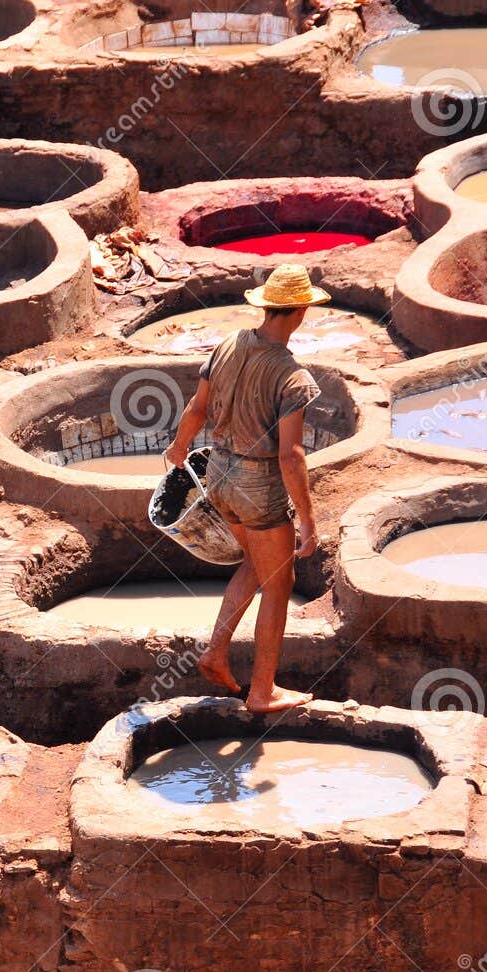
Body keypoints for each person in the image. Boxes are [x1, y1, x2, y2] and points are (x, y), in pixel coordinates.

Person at [163, 263, 324, 714]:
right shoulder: (293, 377)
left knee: (256, 563)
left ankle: (215, 653)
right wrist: (308, 520)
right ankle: (262, 691)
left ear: (267, 307)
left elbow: (198, 407)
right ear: (299, 313)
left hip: (219, 474)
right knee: (280, 583)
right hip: (259, 485)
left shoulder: (229, 344)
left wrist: (178, 449)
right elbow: (290, 457)